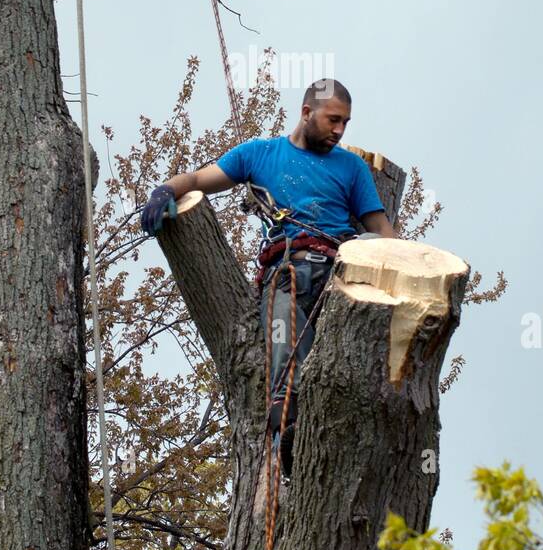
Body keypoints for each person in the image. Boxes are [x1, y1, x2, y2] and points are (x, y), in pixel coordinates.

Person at [140, 79, 399, 475]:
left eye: (345, 123)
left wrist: (402, 270)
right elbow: (197, 180)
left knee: (342, 371)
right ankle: (290, 430)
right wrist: (165, 191)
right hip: (289, 273)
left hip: (339, 276)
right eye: (333, 120)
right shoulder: (260, 155)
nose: (339, 131)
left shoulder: (351, 168)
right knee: (287, 352)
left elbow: (381, 228)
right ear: (306, 112)